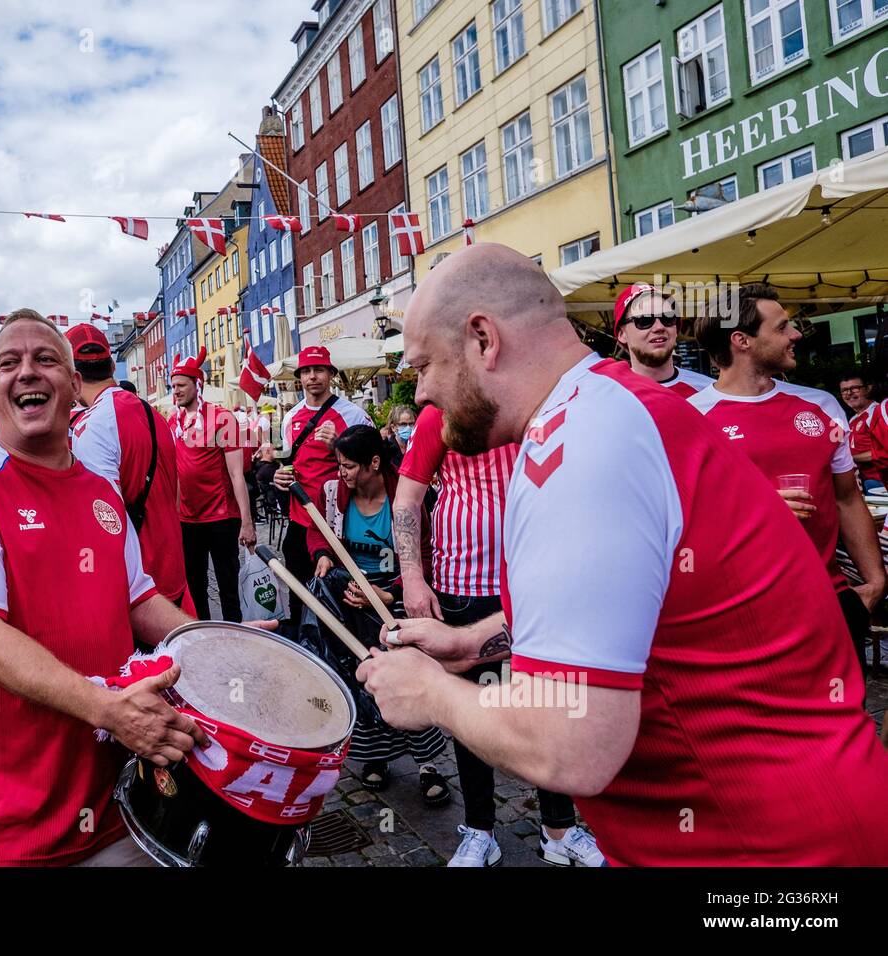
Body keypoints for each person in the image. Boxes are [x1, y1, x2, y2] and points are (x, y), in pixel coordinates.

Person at [358, 243, 888, 866]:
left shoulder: (581, 446)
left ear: (482, 339)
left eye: (425, 365)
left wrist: (433, 696)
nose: (420, 393)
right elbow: (634, 592)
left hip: (763, 849)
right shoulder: (602, 410)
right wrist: (475, 645)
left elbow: (571, 747)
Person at [0, 310, 273, 866]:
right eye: (9, 363)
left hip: (120, 803)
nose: (27, 372)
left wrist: (225, 645)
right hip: (10, 820)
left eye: (45, 359)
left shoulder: (101, 493)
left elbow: (140, 601)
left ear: (75, 386)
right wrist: (110, 711)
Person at [392, 403, 601, 866]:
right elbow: (407, 499)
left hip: (535, 581)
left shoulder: (530, 405)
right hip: (463, 585)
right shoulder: (436, 416)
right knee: (474, 714)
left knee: (547, 704)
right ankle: (480, 830)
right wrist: (411, 575)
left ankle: (559, 828)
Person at [689, 284, 886, 672]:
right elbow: (680, 521)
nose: (796, 335)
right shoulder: (692, 418)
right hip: (740, 611)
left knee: (844, 719)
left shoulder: (820, 405)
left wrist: (875, 581)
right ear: (741, 340)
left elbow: (847, 498)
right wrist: (757, 510)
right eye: (781, 328)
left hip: (828, 599)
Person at [303, 424, 450, 805]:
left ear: (373, 463)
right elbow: (317, 533)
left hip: (396, 594)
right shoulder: (334, 494)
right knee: (364, 677)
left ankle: (428, 765)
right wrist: (322, 555)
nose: (342, 473)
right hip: (352, 596)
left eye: (349, 465)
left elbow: (428, 552)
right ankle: (376, 757)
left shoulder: (405, 495)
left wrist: (390, 592)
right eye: (339, 465)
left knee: (409, 678)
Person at [68, 324, 191, 612]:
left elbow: (103, 522)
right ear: (112, 365)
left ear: (71, 378)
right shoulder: (153, 414)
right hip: (170, 571)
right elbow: (175, 494)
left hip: (136, 590)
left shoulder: (92, 425)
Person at [272, 346, 370, 622]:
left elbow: (375, 467)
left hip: (339, 523)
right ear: (299, 378)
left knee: (341, 596)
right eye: (307, 372)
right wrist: (279, 477)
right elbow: (291, 462)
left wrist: (340, 444)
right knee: (299, 595)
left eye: (319, 370)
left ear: (331, 375)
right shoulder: (291, 418)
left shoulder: (353, 415)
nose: (313, 377)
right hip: (300, 521)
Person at [168, 349, 256, 620]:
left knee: (227, 584)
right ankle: (203, 635)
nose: (176, 391)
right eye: (173, 386)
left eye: (181, 385)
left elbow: (236, 474)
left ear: (198, 384)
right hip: (188, 520)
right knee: (194, 586)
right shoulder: (174, 422)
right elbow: (176, 473)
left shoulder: (222, 418)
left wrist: (247, 521)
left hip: (220, 517)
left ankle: (234, 636)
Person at [611, 283, 715, 397]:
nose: (659, 327)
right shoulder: (609, 397)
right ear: (622, 334)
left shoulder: (707, 392)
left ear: (676, 330)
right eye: (644, 320)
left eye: (667, 318)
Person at [840, 373, 887, 492]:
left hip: (880, 482)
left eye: (854, 388)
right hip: (864, 482)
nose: (849, 393)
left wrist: (848, 458)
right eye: (844, 390)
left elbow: (883, 451)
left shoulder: (878, 413)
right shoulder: (853, 419)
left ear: (868, 389)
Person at [382, 404, 418, 469]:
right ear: (393, 427)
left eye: (411, 424)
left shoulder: (418, 446)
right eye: (403, 424)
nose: (408, 427)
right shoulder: (386, 450)